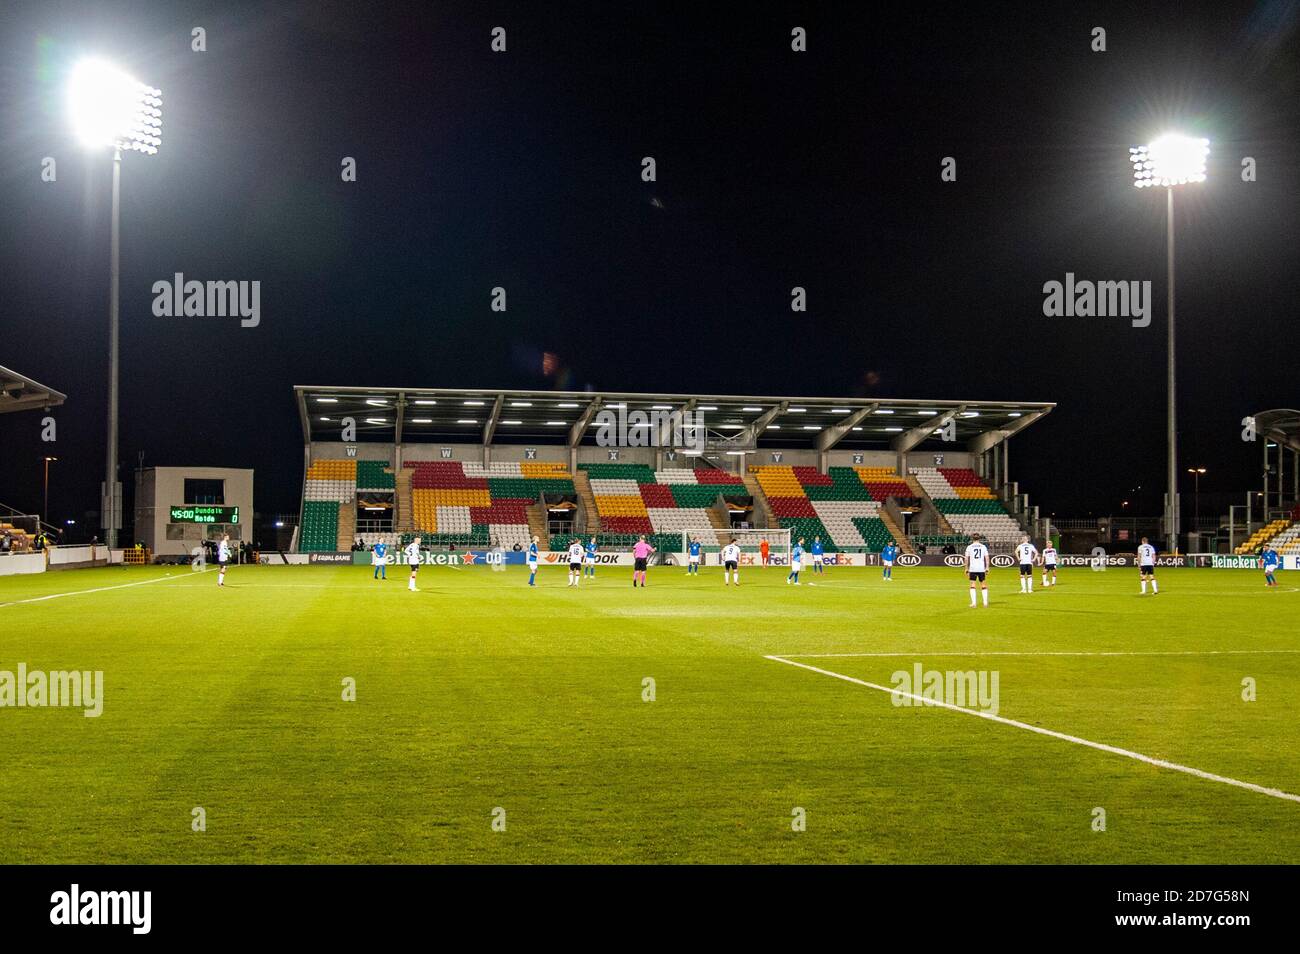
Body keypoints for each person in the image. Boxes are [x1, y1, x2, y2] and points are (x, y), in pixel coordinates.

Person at [964, 533, 990, 607]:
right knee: (983, 584)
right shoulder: (983, 546)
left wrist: (966, 568)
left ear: (972, 538)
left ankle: (974, 603)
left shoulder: (969, 547)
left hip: (973, 568)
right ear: (979, 538)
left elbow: (966, 558)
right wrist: (987, 567)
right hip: (981, 568)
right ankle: (985, 603)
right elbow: (987, 557)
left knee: (972, 584)